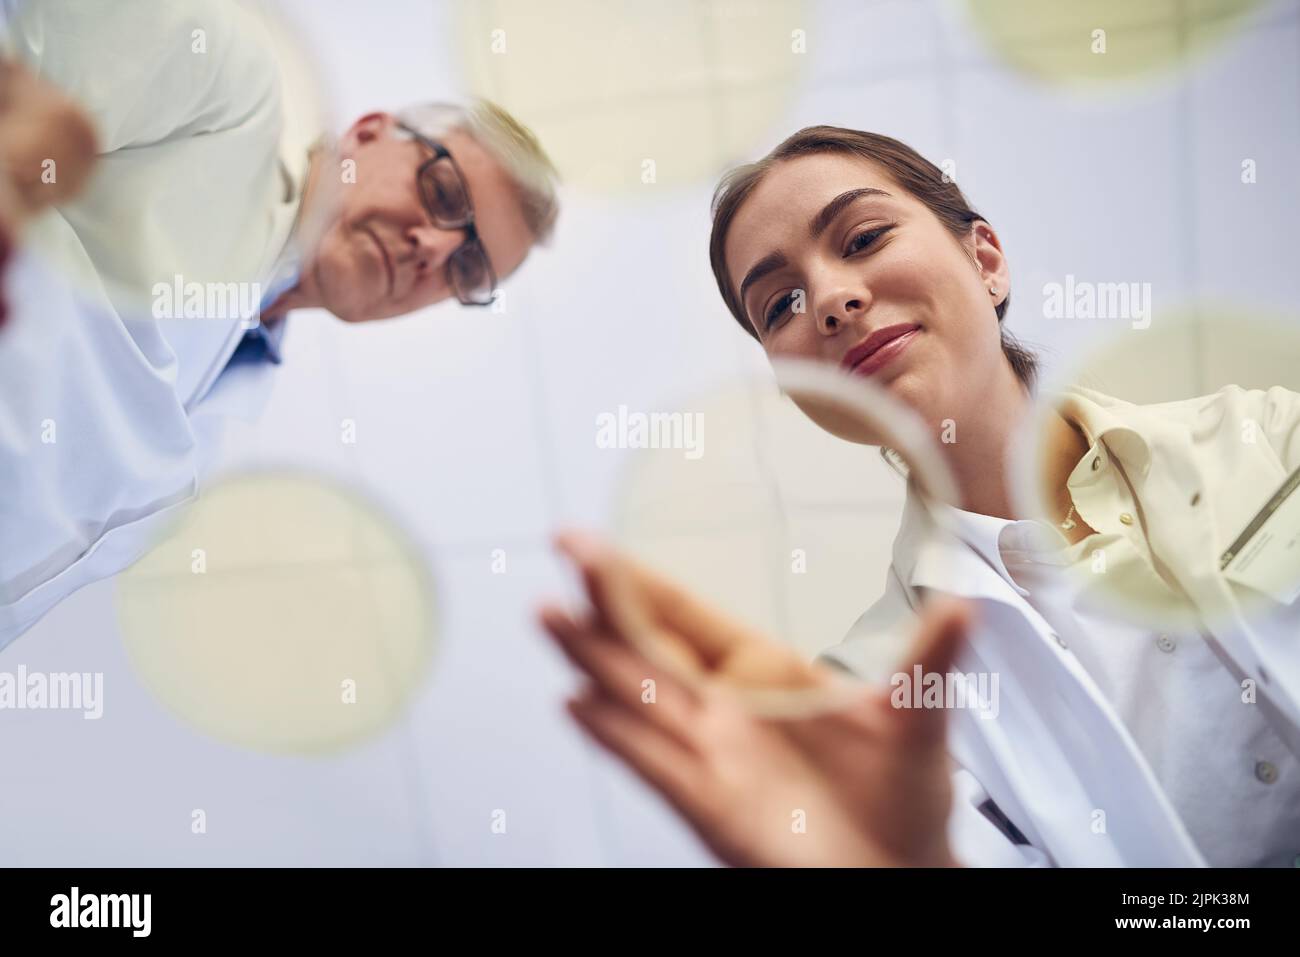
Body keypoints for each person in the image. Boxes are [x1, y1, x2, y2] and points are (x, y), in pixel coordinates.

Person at [540, 126, 1300, 867]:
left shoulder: (1275, 437)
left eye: (863, 237)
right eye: (780, 307)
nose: (831, 300)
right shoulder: (869, 698)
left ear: (986, 259)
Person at [0, 0, 559, 647]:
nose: (432, 247)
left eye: (468, 268)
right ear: (370, 132)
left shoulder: (215, 426)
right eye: (443, 195)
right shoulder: (229, 86)